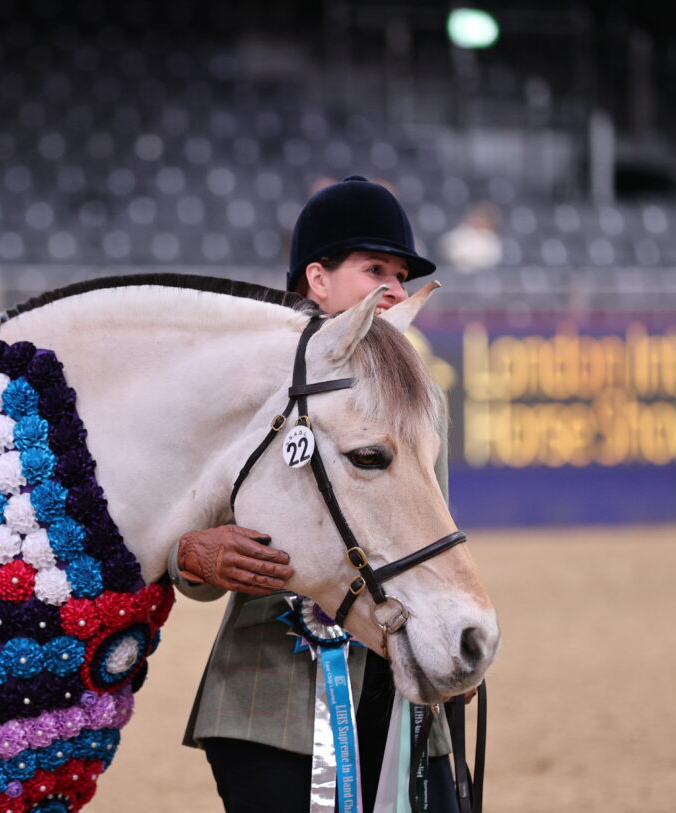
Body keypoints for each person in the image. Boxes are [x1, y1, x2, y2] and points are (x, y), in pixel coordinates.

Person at [167, 175, 459, 813]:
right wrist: (189, 557)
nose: (396, 290)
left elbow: (433, 531)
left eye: (401, 275)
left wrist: (453, 635)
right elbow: (181, 533)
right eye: (375, 268)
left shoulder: (419, 397)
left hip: (402, 699)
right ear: (318, 280)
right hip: (266, 706)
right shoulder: (246, 382)